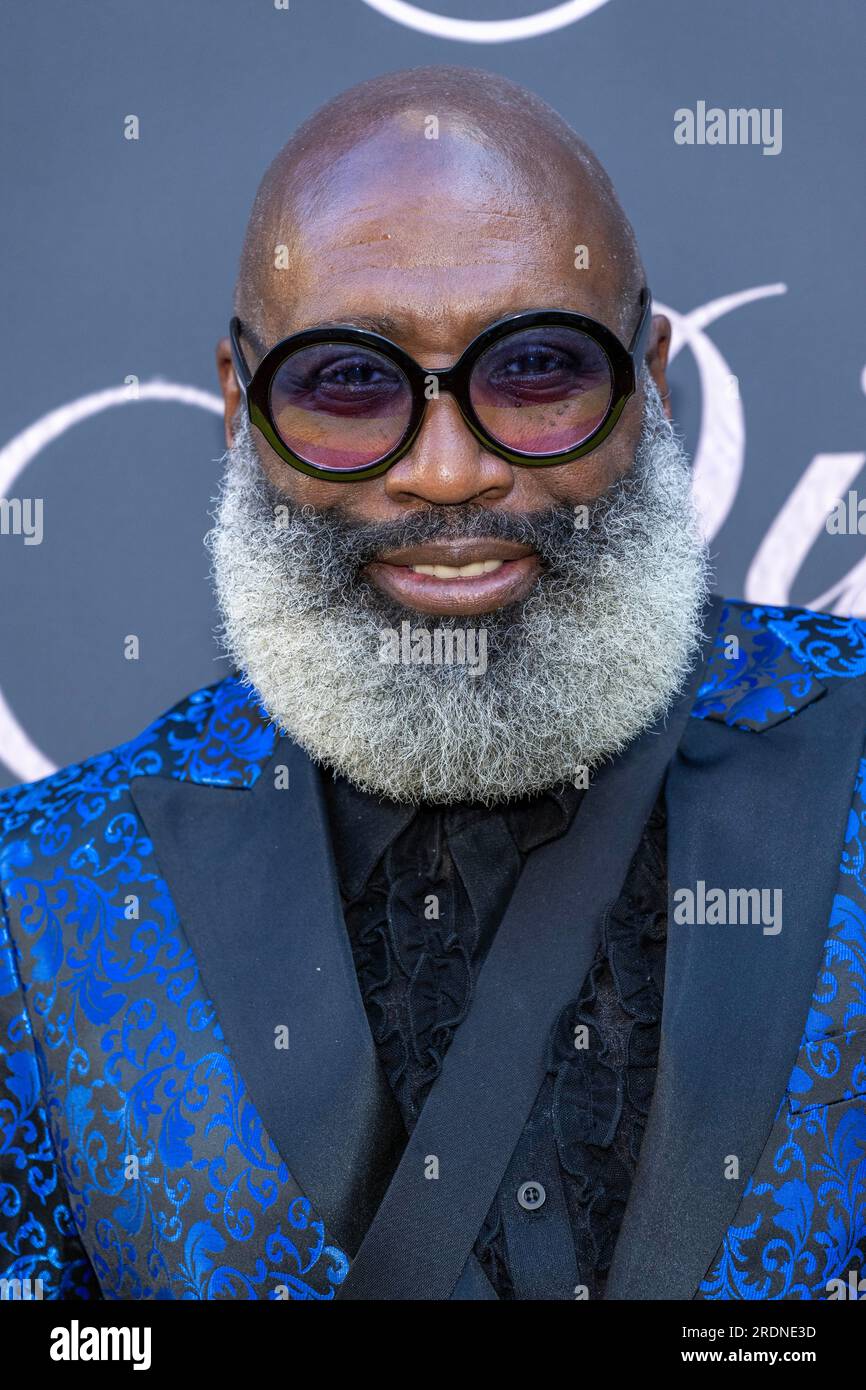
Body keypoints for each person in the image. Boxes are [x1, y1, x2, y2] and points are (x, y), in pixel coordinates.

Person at [2, 67, 864, 1302]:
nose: (449, 471)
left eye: (537, 370)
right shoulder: (38, 905)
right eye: (349, 384)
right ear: (240, 407)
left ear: (650, 385)